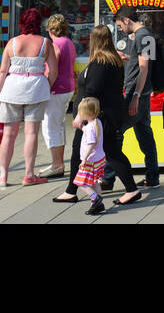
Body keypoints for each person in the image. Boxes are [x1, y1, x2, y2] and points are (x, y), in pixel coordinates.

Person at [54, 26, 141, 206]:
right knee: (97, 151)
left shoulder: (101, 62)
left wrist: (80, 115)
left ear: (94, 41)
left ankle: (131, 190)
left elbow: (93, 90)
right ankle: (71, 190)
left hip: (96, 117)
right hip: (103, 115)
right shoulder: (113, 59)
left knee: (108, 152)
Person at [0, 8, 58, 188]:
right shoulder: (45, 43)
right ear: (38, 23)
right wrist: (46, 85)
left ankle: (3, 176)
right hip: (36, 88)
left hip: (11, 89)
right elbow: (53, 71)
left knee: (9, 134)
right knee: (31, 133)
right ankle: (29, 174)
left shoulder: (12, 43)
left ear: (21, 22)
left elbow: (3, 71)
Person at [106, 6, 159, 189]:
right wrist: (128, 58)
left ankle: (108, 177)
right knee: (145, 137)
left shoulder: (142, 37)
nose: (121, 29)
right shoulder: (147, 35)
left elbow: (144, 68)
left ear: (127, 20)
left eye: (120, 25)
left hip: (136, 93)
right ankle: (152, 176)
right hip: (143, 93)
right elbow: (144, 63)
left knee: (115, 133)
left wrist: (135, 95)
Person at [39, 14, 78, 179]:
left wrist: (44, 88)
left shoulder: (55, 45)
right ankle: (58, 162)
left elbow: (51, 71)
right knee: (59, 126)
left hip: (56, 90)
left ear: (50, 29)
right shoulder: (69, 43)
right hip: (68, 88)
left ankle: (56, 165)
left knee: (50, 127)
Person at [72, 96, 109, 216]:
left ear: (86, 113)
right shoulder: (97, 122)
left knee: (80, 182)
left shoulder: (90, 128)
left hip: (90, 160)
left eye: (81, 112)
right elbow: (92, 135)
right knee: (94, 182)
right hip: (99, 158)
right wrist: (82, 128)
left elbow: (91, 143)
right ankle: (98, 205)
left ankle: (95, 198)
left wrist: (84, 160)